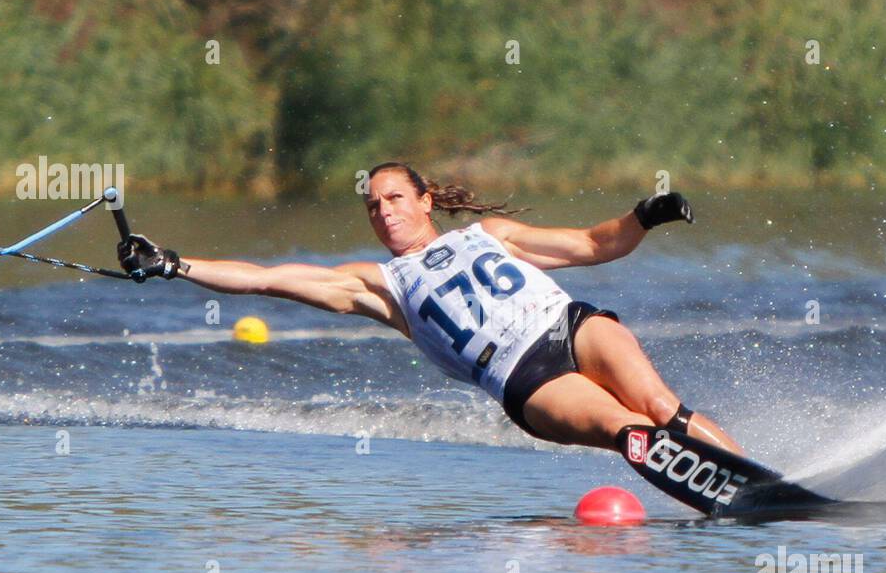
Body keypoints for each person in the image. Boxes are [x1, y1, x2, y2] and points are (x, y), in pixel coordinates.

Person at [118, 161, 744, 456]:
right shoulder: (380, 284)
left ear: (424, 200)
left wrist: (646, 215)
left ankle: (761, 483)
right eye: (372, 205)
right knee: (625, 430)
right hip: (527, 378)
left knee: (662, 409)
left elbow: (593, 243)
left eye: (394, 197)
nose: (383, 210)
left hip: (571, 327)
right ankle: (703, 483)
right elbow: (267, 279)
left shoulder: (490, 234)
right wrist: (176, 263)